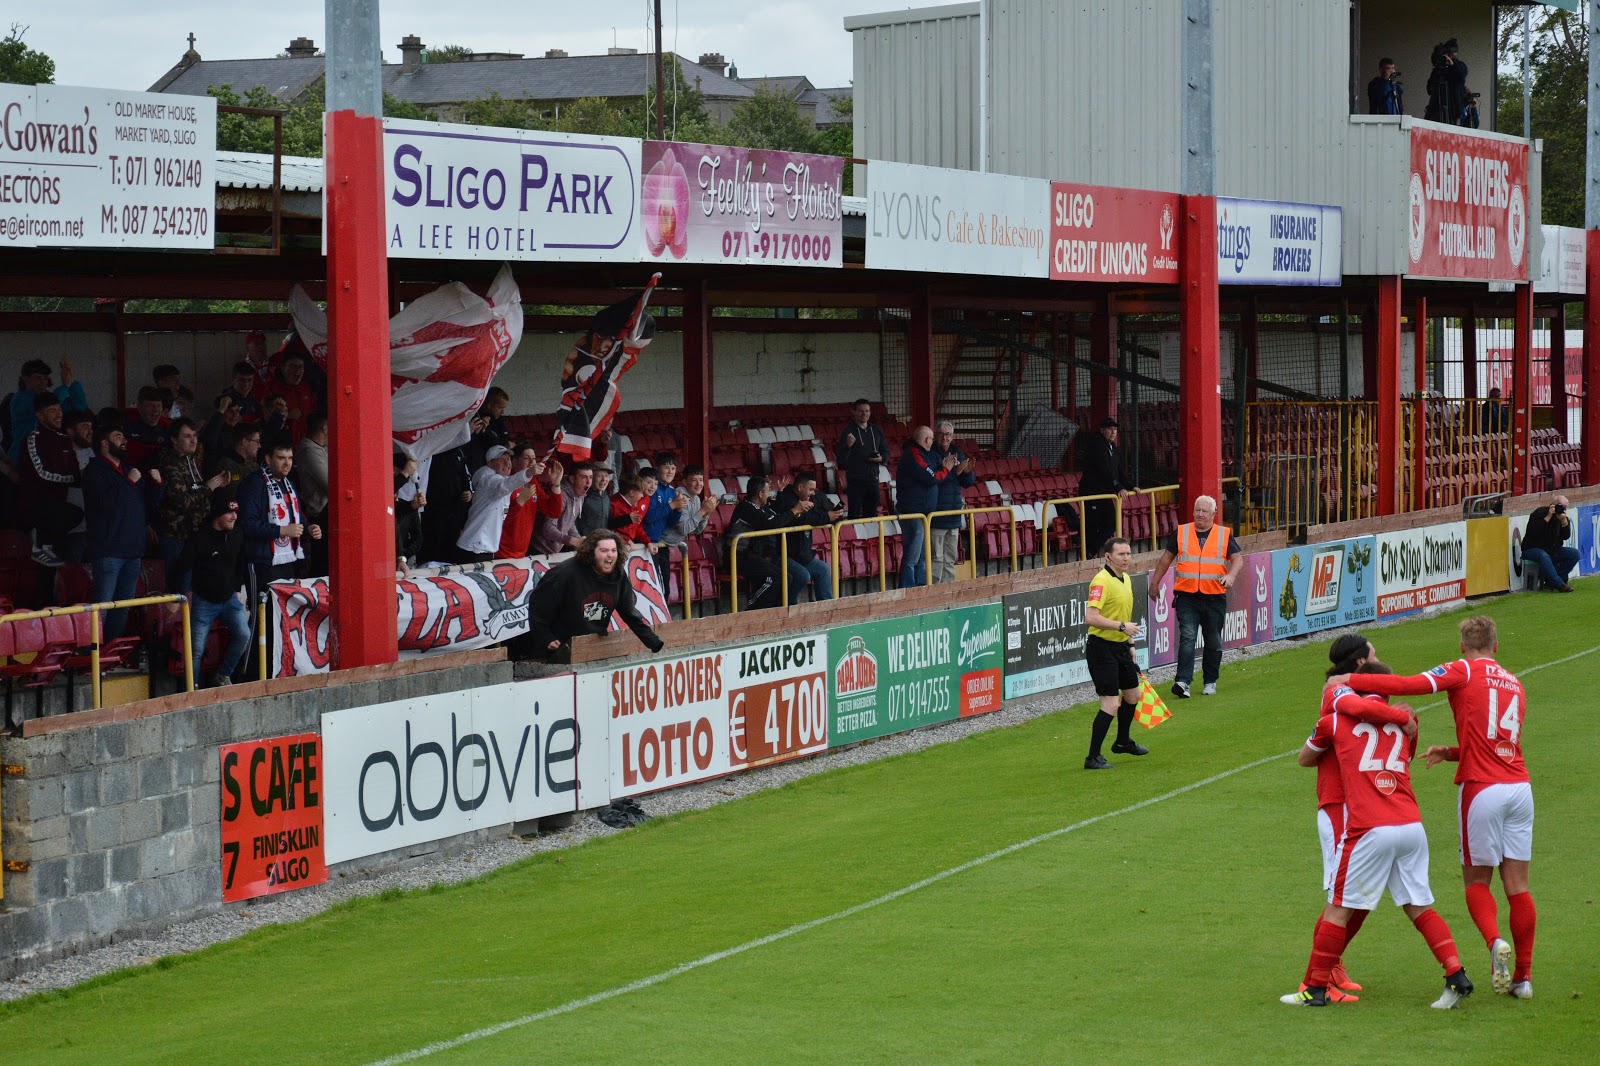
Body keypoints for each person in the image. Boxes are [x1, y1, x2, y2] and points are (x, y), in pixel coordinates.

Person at [1334, 615, 1537, 999]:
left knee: (1477, 881)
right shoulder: (1514, 682)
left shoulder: (1462, 669)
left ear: (1463, 646)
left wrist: (1352, 681)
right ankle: (1523, 978)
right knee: (1518, 886)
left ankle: (1494, 942)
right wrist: (1452, 751)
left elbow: (1407, 685)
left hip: (1482, 789)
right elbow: (1500, 743)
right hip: (1520, 787)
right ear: (1496, 646)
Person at [1286, 660, 1473, 1010]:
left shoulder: (1335, 720)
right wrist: (1403, 718)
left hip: (1369, 826)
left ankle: (1315, 989)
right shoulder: (1406, 724)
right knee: (1419, 906)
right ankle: (1455, 974)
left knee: (1337, 908)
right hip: (1411, 825)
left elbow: (1306, 757)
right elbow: (1407, 755)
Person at [1288, 638, 1415, 1004]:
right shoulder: (1338, 691)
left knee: (1360, 895)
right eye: (1374, 655)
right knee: (1341, 896)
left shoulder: (1362, 694)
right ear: (1360, 663)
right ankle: (1315, 980)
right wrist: (1401, 716)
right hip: (1339, 802)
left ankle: (1332, 965)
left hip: (1364, 804)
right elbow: (1354, 713)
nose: (1379, 660)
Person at [1148, 495, 1244, 697]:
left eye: (1204, 511)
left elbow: (1238, 559)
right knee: (1188, 637)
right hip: (1187, 596)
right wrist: (1155, 583)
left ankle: (1210, 680)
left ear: (1213, 513)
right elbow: (1165, 560)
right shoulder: (1181, 532)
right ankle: (1183, 682)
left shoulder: (1223, 534)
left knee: (1213, 640)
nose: (1200, 514)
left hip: (1214, 597)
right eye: (1197, 510)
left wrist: (1231, 575)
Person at [524, 529, 664, 664]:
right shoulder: (565, 573)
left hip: (591, 645)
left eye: (613, 550)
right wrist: (545, 637)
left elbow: (629, 612)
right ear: (591, 552)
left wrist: (653, 641)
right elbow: (538, 604)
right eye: (604, 550)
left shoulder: (618, 575)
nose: (610, 555)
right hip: (559, 646)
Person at [83, 424, 160, 641]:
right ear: (104, 443)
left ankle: (111, 652)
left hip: (133, 551)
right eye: (118, 436)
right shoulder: (94, 471)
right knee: (102, 607)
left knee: (123, 608)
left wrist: (157, 485)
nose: (124, 440)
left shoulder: (128, 469)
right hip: (108, 551)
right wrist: (128, 483)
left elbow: (147, 504)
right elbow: (105, 504)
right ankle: (91, 654)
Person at [1082, 537, 1149, 769]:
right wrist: (1122, 627)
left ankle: (1122, 741)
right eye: (1121, 554)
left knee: (1133, 695)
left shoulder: (1126, 578)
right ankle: (1092, 757)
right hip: (1101, 648)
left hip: (1121, 647)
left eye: (1128, 554)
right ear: (1108, 556)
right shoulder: (1101, 581)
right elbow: (1091, 617)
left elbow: (1124, 616)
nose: (1126, 558)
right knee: (1110, 704)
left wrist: (1130, 644)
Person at [173, 497, 251, 687]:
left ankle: (223, 674)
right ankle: (191, 690)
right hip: (204, 602)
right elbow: (181, 567)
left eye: (236, 512)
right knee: (196, 650)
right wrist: (175, 596)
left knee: (244, 635)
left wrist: (238, 588)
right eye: (229, 512)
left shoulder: (237, 534)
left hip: (230, 600)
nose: (234, 516)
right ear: (217, 515)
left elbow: (241, 562)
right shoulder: (199, 538)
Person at [153, 417, 229, 589]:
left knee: (194, 588)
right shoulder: (168, 464)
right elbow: (184, 502)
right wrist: (208, 488)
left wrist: (216, 486)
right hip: (175, 536)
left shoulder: (192, 460)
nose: (193, 440)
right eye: (187, 436)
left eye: (195, 435)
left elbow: (198, 494)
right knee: (178, 589)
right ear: (174, 439)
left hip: (194, 535)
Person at [239, 440, 321, 594]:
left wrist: (308, 528)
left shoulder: (289, 483)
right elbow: (247, 524)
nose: (287, 463)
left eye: (290, 458)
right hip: (262, 562)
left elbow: (297, 519)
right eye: (281, 458)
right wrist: (281, 530)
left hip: (288, 560)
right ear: (268, 459)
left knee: (283, 609)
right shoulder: (254, 483)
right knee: (263, 607)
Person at [727, 475, 810, 611]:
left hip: (755, 556)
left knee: (787, 578)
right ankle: (751, 611)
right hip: (739, 557)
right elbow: (769, 524)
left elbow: (777, 517)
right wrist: (794, 510)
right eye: (767, 491)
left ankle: (775, 612)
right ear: (760, 494)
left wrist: (795, 512)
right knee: (774, 578)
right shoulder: (746, 507)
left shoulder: (762, 507)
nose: (769, 495)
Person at [18, 392, 83, 567]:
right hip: (36, 504)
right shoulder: (33, 438)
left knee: (75, 515)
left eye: (59, 409)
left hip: (59, 507)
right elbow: (42, 473)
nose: (58, 414)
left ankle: (44, 545)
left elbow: (75, 471)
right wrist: (73, 478)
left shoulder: (65, 440)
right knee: (68, 513)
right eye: (52, 411)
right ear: (40, 415)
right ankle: (39, 543)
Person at [895, 425, 960, 590]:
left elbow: (934, 472)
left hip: (922, 513)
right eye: (931, 438)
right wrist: (946, 469)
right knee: (913, 554)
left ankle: (920, 586)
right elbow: (931, 477)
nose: (933, 442)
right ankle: (908, 588)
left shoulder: (923, 454)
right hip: (912, 512)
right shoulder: (913, 454)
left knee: (922, 555)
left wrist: (945, 467)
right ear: (926, 440)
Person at [457, 444, 542, 563]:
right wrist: (529, 472)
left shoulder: (501, 480)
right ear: (490, 464)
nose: (507, 464)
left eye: (508, 459)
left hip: (484, 548)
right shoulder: (489, 481)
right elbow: (505, 485)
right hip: (475, 548)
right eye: (501, 460)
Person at [772, 470, 844, 603]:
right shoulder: (786, 499)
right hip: (785, 555)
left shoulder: (814, 497)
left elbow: (826, 513)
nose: (813, 493)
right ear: (800, 487)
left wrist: (834, 515)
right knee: (802, 576)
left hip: (803, 555)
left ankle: (827, 608)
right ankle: (787, 607)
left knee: (823, 570)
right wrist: (826, 517)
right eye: (811, 490)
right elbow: (803, 519)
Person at [7, 358, 86, 463]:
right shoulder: (20, 399)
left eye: (45, 378)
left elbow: (79, 408)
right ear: (25, 378)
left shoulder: (53, 399)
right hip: (24, 457)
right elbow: (46, 405)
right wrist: (66, 385)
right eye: (38, 378)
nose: (43, 382)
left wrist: (72, 382)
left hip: (47, 455)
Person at [929, 422, 977, 584]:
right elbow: (934, 481)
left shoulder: (957, 452)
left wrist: (968, 473)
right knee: (936, 557)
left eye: (948, 434)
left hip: (954, 513)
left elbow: (967, 483)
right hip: (937, 514)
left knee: (950, 557)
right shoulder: (930, 455)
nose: (945, 438)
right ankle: (935, 590)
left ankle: (949, 588)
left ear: (952, 436)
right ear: (936, 435)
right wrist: (954, 472)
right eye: (942, 434)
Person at [1078, 418, 1130, 562]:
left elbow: (1118, 469)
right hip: (1092, 492)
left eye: (1115, 429)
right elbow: (1104, 470)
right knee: (1094, 525)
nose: (1113, 432)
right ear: (1102, 430)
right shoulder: (1097, 445)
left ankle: (1090, 552)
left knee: (1111, 523)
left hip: (1104, 492)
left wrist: (1130, 486)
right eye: (1109, 429)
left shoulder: (1111, 446)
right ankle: (1088, 554)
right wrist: (1118, 487)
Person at [496, 450, 563, 560]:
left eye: (534, 458)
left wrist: (556, 484)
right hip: (501, 552)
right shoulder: (506, 484)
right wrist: (520, 501)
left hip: (522, 553)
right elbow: (501, 520)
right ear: (514, 462)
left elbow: (553, 512)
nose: (532, 462)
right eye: (526, 458)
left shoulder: (533, 483)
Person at [419, 443, 473, 565]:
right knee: (433, 542)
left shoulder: (458, 452)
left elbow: (465, 476)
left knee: (451, 543)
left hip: (454, 509)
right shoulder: (433, 450)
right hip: (432, 507)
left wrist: (467, 491)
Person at [836, 398, 888, 519]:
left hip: (873, 480)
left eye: (867, 411)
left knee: (871, 517)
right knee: (854, 516)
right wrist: (848, 446)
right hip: (856, 482)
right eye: (861, 411)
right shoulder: (848, 432)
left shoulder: (876, 430)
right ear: (854, 412)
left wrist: (881, 459)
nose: (864, 414)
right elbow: (841, 459)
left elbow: (886, 451)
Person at [294, 413, 330, 577]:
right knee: (321, 566)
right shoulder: (309, 450)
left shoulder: (323, 448)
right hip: (319, 514)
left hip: (328, 513)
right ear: (325, 428)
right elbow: (330, 484)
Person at [532, 461, 593, 556]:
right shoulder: (562, 496)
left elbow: (569, 521)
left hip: (552, 550)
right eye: (584, 477)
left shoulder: (580, 495)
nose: (588, 482)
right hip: (538, 549)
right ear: (572, 479)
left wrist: (579, 540)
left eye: (591, 477)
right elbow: (548, 528)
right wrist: (572, 540)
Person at [1520, 495, 1577, 593]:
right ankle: (1560, 585)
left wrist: (1564, 521)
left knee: (1574, 554)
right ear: (1553, 504)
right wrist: (1548, 516)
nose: (1563, 509)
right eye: (1561, 506)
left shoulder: (1562, 517)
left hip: (1551, 550)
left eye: (1565, 507)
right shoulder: (1540, 512)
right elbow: (1532, 532)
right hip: (1531, 549)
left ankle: (1556, 580)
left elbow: (1565, 536)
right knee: (1543, 555)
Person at [266, 353, 318, 442]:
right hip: (282, 443)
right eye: (292, 366)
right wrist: (287, 416)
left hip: (305, 442)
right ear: (283, 368)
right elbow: (266, 417)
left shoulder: (306, 389)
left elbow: (313, 412)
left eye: (300, 366)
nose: (297, 370)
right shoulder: (273, 389)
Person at [121, 386, 170, 471]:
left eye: (159, 405)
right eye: (151, 406)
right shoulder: (126, 426)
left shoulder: (167, 427)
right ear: (139, 408)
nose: (156, 410)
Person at [212, 422, 263, 500]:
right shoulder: (226, 465)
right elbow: (232, 496)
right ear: (244, 442)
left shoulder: (253, 464)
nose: (259, 446)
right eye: (257, 441)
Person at [465, 386, 511, 470]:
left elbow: (505, 439)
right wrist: (483, 431)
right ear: (489, 405)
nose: (502, 412)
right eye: (500, 408)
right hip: (479, 466)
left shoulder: (499, 420)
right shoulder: (475, 419)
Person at [1425, 39, 1469, 126]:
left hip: (1453, 110)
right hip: (1436, 110)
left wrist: (1452, 65)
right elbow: (1430, 89)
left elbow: (1461, 73)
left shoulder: (1458, 66)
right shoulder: (1438, 70)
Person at [394, 453, 426, 569]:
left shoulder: (406, 506)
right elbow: (383, 500)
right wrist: (405, 474)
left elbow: (418, 539)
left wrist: (402, 556)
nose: (406, 482)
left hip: (399, 561)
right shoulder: (377, 498)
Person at [608, 472, 652, 549]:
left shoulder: (633, 505)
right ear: (631, 493)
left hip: (628, 547)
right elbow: (609, 528)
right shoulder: (613, 505)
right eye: (641, 492)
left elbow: (637, 527)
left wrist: (648, 542)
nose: (642, 496)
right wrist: (626, 540)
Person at [579, 463, 613, 537]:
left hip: (601, 540)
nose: (604, 479)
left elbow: (609, 522)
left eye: (606, 476)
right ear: (591, 478)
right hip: (585, 541)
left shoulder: (606, 497)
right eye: (599, 476)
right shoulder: (583, 496)